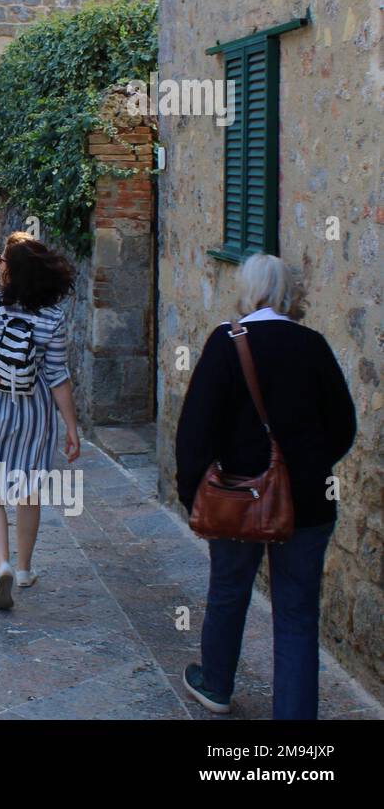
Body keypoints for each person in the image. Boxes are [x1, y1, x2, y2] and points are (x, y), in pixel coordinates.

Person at [175, 254, 355, 720]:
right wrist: (308, 468)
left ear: (247, 290)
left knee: (228, 588)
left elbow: (195, 427)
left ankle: (215, 684)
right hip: (307, 502)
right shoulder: (313, 345)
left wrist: (192, 490)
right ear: (287, 292)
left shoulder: (226, 342)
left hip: (237, 497)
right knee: (297, 616)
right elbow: (343, 426)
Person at [0, 231, 80, 610]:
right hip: (33, 411)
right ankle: (23, 568)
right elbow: (57, 376)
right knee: (28, 490)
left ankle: (1, 564)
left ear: (9, 270)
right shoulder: (52, 316)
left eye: (0, 260)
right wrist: (71, 427)